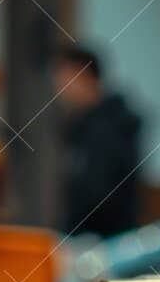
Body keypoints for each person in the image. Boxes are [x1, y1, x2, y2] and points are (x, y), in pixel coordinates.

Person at [53, 44, 144, 238]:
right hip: (82, 240)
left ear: (84, 77)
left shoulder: (112, 127)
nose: (60, 87)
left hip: (108, 244)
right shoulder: (78, 126)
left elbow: (102, 197)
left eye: (65, 77)